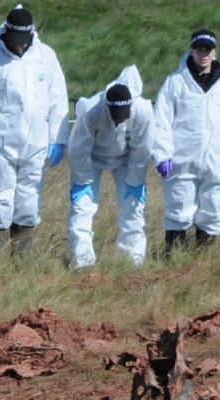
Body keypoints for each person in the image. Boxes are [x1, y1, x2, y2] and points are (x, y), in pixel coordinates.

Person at [0, 6, 68, 255]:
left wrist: (58, 140)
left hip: (36, 143)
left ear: (31, 34)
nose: (19, 46)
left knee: (29, 199)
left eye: (23, 41)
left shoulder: (45, 56)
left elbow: (58, 100)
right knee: (0, 199)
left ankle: (22, 257)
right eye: (14, 41)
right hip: (0, 143)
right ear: (6, 34)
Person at [152, 30, 220, 253]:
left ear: (214, 52)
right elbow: (162, 122)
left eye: (207, 49)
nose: (203, 54)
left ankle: (203, 260)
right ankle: (174, 258)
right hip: (182, 160)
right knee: (179, 209)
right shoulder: (175, 83)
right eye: (199, 49)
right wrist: (163, 154)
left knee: (212, 209)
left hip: (217, 161)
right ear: (191, 51)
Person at [66, 66, 155, 269]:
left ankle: (132, 259)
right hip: (93, 156)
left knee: (133, 205)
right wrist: (82, 182)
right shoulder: (91, 109)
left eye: (123, 114)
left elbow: (142, 148)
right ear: (107, 105)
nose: (119, 119)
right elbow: (79, 148)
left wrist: (136, 181)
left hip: (125, 158)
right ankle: (82, 261)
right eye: (115, 114)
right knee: (83, 207)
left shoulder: (143, 111)